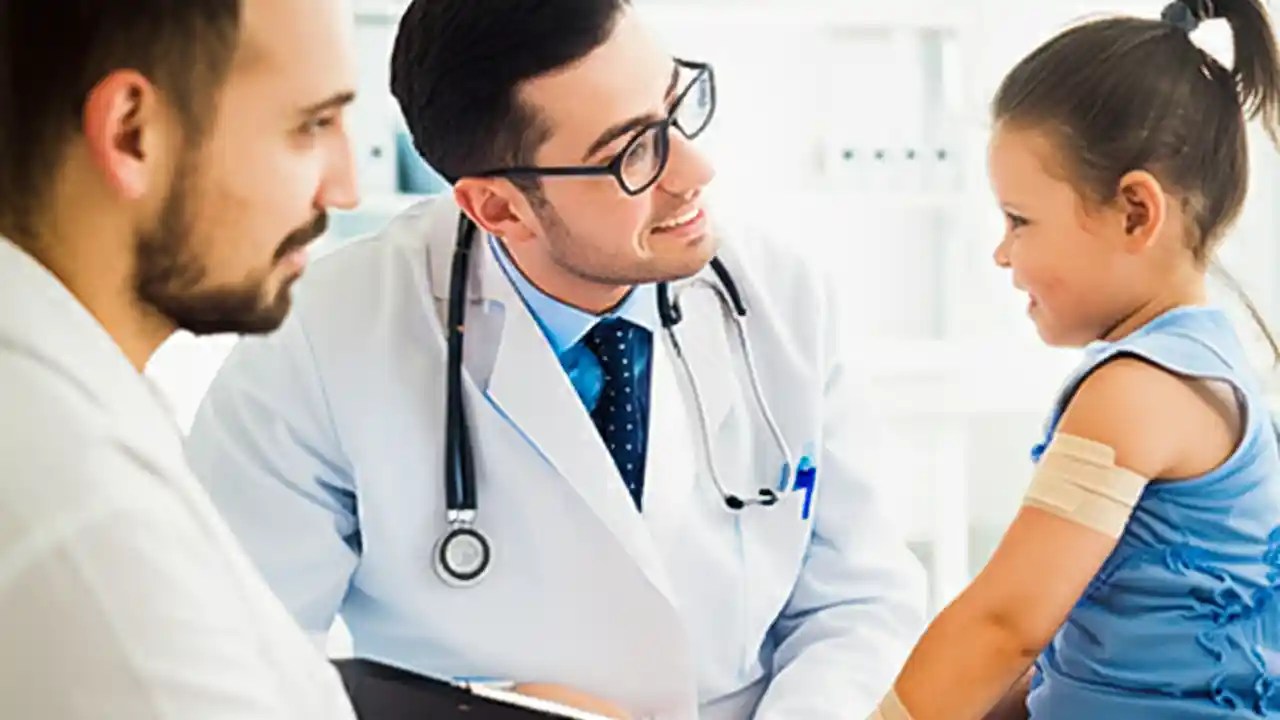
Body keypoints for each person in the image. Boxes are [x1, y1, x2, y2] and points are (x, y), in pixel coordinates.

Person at [183, 0, 927, 718]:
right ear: (499, 208)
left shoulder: (780, 297)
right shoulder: (320, 345)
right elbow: (232, 668)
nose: (694, 168)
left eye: (678, 104)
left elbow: (857, 602)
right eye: (634, 152)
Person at [871, 1, 1280, 718]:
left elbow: (1005, 625)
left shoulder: (1137, 393)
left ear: (1135, 213)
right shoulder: (1204, 365)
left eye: (1020, 221)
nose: (1002, 252)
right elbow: (1084, 648)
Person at [0, 1, 364, 717]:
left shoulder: (65, 398)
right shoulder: (78, 505)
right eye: (311, 126)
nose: (343, 187)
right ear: (133, 134)